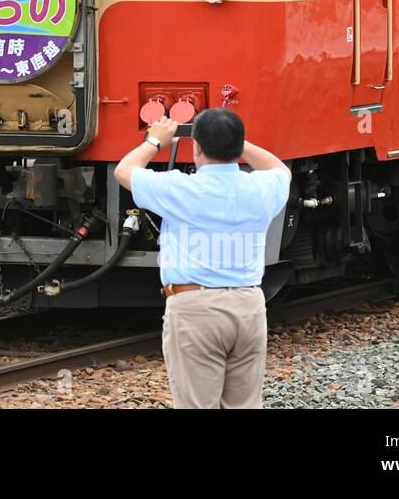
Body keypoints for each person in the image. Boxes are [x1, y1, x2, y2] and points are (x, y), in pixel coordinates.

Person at [113, 108, 290, 409]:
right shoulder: (261, 188)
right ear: (238, 147)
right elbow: (280, 168)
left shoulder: (179, 187)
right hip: (249, 307)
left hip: (195, 309)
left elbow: (124, 171)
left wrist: (155, 141)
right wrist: (237, 142)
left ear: (196, 147)